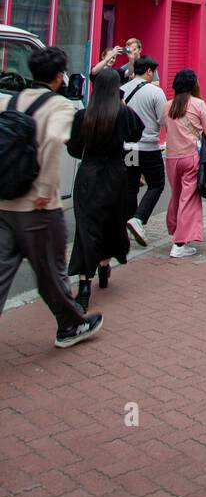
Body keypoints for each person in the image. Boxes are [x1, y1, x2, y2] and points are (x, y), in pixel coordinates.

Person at [0, 47, 104, 348]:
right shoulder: (60, 106)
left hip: (6, 203)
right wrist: (46, 190)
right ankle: (71, 325)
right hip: (38, 207)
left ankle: (72, 323)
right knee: (51, 272)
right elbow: (53, 143)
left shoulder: (14, 99)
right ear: (60, 76)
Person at [67, 70, 145, 307]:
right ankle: (103, 264)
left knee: (86, 228)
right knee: (112, 223)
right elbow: (136, 132)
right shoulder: (122, 113)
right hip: (115, 175)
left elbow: (73, 149)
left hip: (88, 175)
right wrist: (122, 104)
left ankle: (83, 287)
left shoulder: (83, 115)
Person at [163, 69, 206, 260]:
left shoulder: (167, 106)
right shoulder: (199, 104)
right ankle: (180, 242)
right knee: (188, 198)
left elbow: (166, 127)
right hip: (191, 156)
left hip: (171, 158)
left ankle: (175, 229)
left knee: (176, 195)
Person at [122, 56, 167, 248]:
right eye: (153, 72)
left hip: (129, 149)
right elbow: (163, 121)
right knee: (156, 183)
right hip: (148, 148)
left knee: (131, 185)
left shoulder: (122, 90)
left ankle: (128, 222)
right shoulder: (156, 93)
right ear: (148, 71)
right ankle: (139, 219)